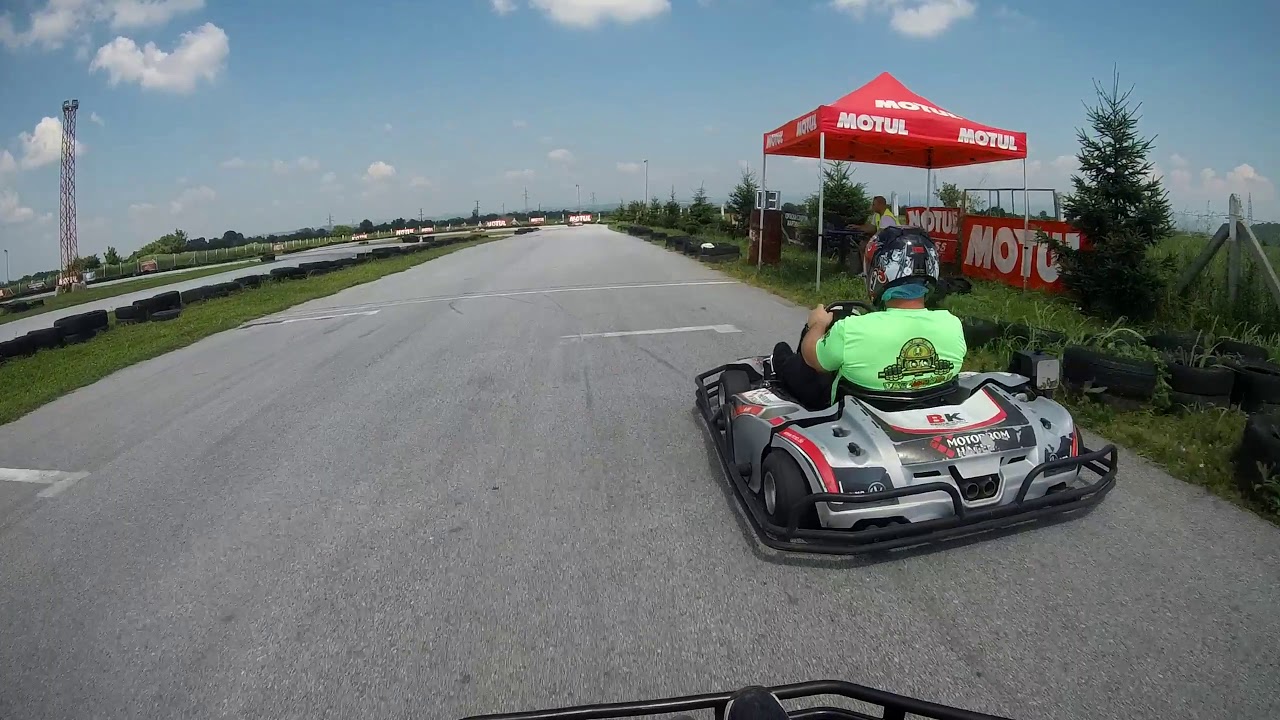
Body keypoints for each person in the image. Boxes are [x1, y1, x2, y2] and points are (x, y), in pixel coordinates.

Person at [771, 226, 966, 409]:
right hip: (922, 414)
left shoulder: (851, 330)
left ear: (879, 274)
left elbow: (812, 358)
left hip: (852, 422)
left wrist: (817, 324)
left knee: (783, 353)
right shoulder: (952, 325)